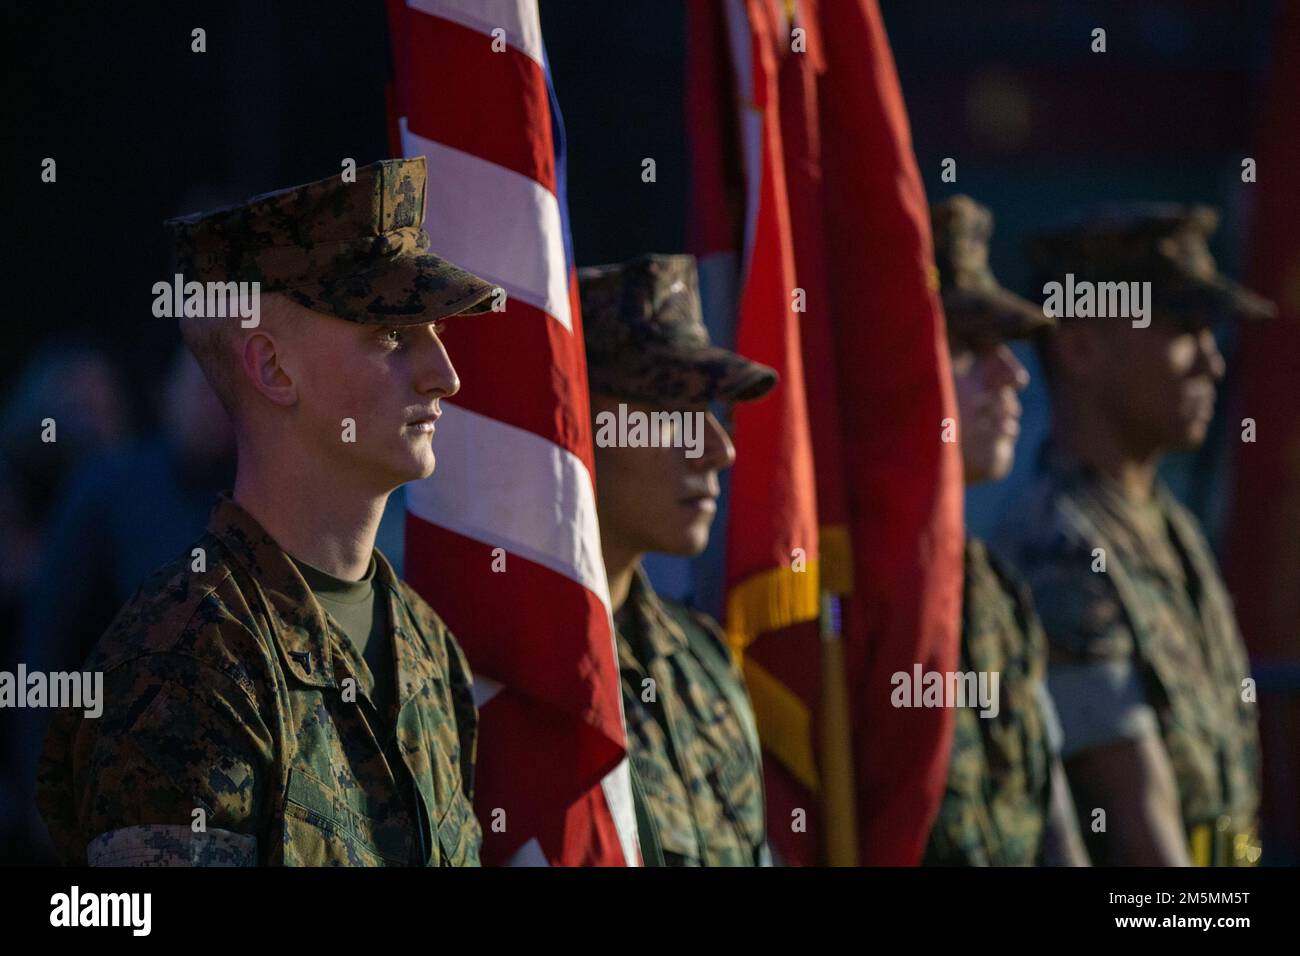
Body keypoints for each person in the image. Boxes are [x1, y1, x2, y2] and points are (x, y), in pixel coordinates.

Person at [37, 157, 494, 866]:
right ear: (274, 369)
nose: (446, 374)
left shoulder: (429, 648)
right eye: (394, 335)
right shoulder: (183, 664)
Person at [996, 204, 1270, 866]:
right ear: (1082, 347)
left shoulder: (1165, 523)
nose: (1212, 362)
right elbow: (1135, 823)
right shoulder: (1059, 544)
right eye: (1183, 329)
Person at [579, 253, 774, 866]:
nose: (718, 449)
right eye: (670, 409)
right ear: (575, 420)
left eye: (709, 411)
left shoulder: (702, 659)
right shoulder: (499, 678)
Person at [923, 196, 1089, 867]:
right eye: (968, 348)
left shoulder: (994, 592)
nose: (1015, 374)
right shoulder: (821, 603)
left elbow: (1057, 838)